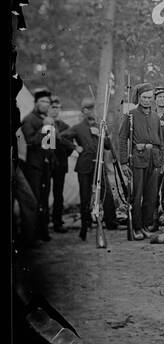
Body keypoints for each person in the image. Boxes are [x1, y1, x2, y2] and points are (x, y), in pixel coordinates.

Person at [63, 96, 119, 240]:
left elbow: (107, 146)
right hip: (84, 166)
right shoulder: (77, 128)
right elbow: (62, 137)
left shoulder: (99, 126)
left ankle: (111, 222)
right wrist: (75, 147)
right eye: (89, 109)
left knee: (106, 193)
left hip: (99, 165)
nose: (92, 112)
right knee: (85, 195)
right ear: (83, 111)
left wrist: (101, 134)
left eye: (94, 109)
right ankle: (85, 224)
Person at [117, 83, 164, 235]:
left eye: (150, 98)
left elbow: (161, 141)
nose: (147, 100)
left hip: (154, 159)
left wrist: (161, 161)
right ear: (139, 98)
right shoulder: (130, 115)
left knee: (151, 196)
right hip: (138, 159)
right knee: (137, 196)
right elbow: (122, 138)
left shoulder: (156, 116)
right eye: (144, 97)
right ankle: (136, 227)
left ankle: (145, 225)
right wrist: (124, 162)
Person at [19, 87, 56, 241]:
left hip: (45, 166)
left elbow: (49, 144)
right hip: (33, 167)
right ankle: (31, 236)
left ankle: (43, 232)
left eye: (48, 102)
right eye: (42, 101)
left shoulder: (46, 119)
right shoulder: (28, 120)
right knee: (34, 200)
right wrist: (44, 128)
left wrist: (51, 160)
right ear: (36, 103)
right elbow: (32, 142)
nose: (46, 104)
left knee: (44, 199)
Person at [48, 96, 75, 233]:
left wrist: (62, 156)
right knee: (43, 193)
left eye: (58, 108)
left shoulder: (64, 126)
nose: (56, 110)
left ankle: (57, 222)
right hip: (45, 165)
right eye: (53, 107)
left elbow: (71, 147)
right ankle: (43, 222)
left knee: (58, 194)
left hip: (60, 165)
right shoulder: (44, 124)